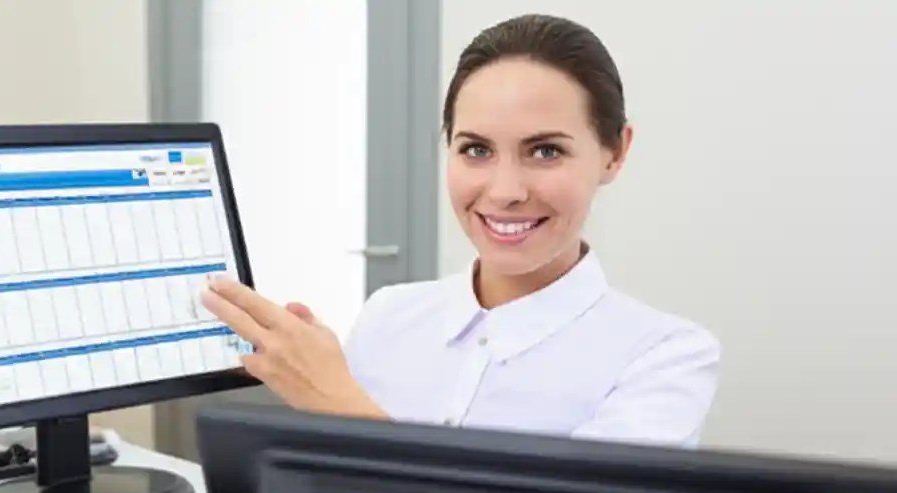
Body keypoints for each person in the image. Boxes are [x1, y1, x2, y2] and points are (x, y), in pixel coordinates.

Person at [201, 13, 721, 448]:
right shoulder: (389, 316)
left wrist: (337, 401)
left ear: (616, 152)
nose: (504, 190)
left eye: (546, 151)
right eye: (476, 149)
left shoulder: (665, 357)